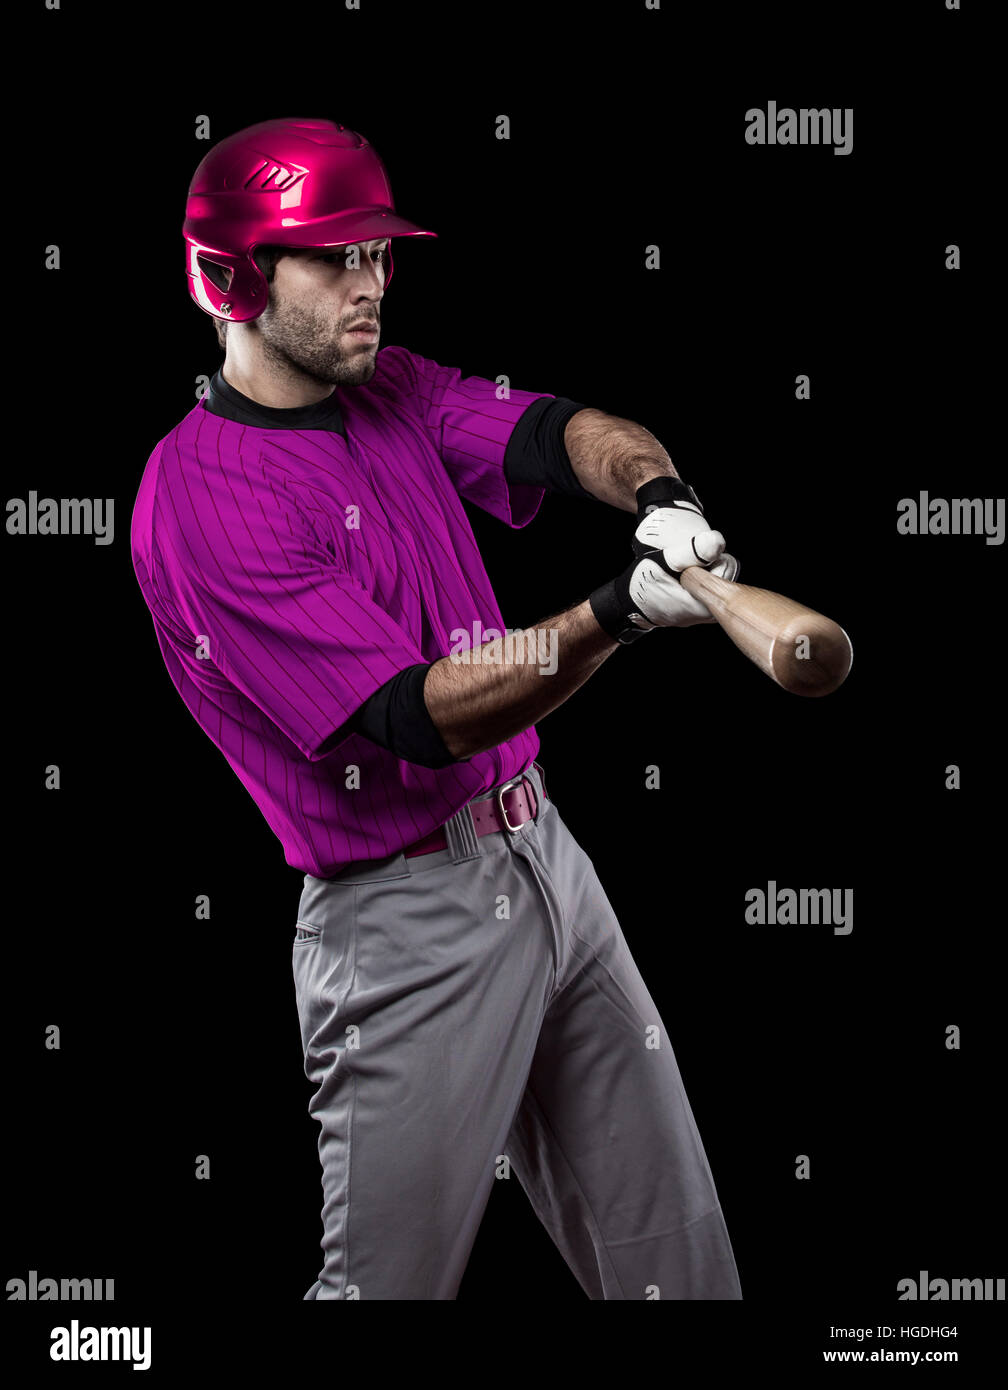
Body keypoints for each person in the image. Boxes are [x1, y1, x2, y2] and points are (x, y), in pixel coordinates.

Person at [130, 117, 744, 1300]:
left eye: (379, 254)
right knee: (384, 1294)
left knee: (678, 1264)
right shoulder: (201, 501)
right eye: (335, 258)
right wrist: (619, 611)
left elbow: (559, 433)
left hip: (546, 857)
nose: (372, 285)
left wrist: (660, 496)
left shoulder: (394, 388)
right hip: (402, 927)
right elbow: (422, 717)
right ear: (235, 274)